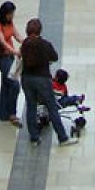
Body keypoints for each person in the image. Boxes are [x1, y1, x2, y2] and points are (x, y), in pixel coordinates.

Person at [20, 18, 76, 147]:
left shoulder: (24, 44)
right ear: (40, 30)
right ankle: (62, 138)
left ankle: (34, 138)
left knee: (31, 107)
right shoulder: (45, 44)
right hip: (42, 79)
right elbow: (54, 57)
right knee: (52, 108)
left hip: (27, 79)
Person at [0, 1, 22, 127]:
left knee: (6, 83)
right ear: (5, 13)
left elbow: (17, 35)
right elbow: (2, 42)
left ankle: (4, 114)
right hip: (3, 58)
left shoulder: (9, 23)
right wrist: (15, 52)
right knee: (14, 84)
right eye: (10, 14)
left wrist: (27, 41)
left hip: (10, 56)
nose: (12, 16)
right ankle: (12, 113)